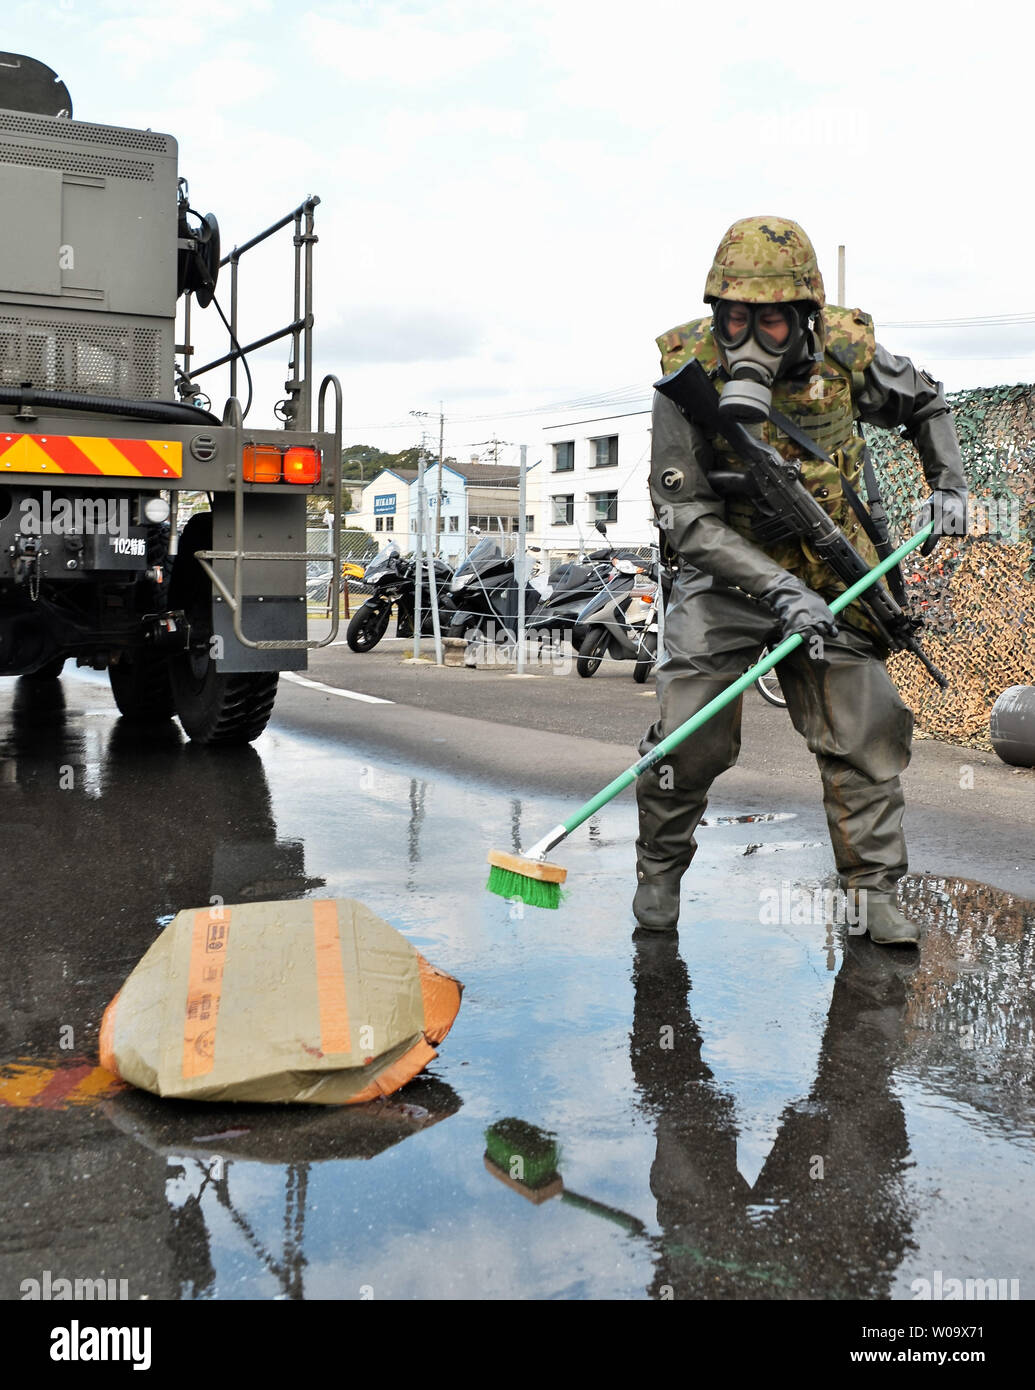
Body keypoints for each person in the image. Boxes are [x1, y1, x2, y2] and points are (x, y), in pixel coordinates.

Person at [634, 215, 967, 946]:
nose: (749, 337)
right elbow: (683, 514)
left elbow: (927, 402)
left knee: (863, 733)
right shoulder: (684, 373)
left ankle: (871, 893)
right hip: (723, 576)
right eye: (733, 318)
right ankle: (657, 875)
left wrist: (948, 483)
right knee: (688, 738)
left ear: (807, 318)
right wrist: (777, 589)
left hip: (834, 572)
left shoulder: (849, 352)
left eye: (772, 322)